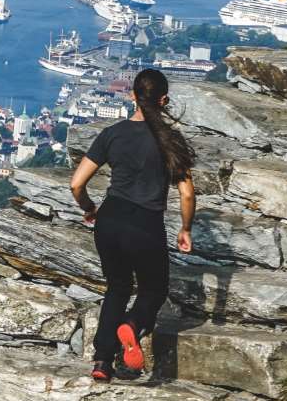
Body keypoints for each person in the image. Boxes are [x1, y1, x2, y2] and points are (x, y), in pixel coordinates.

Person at [67, 67, 196, 382]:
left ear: (132, 96)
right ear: (164, 100)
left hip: (109, 220)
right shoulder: (172, 141)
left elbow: (76, 184)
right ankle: (133, 325)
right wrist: (185, 228)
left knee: (117, 288)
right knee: (153, 288)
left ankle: (102, 361)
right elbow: (187, 193)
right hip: (145, 225)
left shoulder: (112, 134)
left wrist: (89, 208)